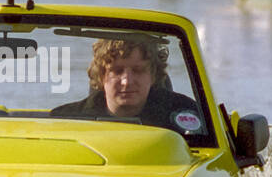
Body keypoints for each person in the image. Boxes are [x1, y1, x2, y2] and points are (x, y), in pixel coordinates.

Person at [52, 37, 203, 134]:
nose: (127, 81)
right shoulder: (65, 122)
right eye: (116, 71)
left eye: (138, 71)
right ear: (100, 76)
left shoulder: (193, 117)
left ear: (154, 75)